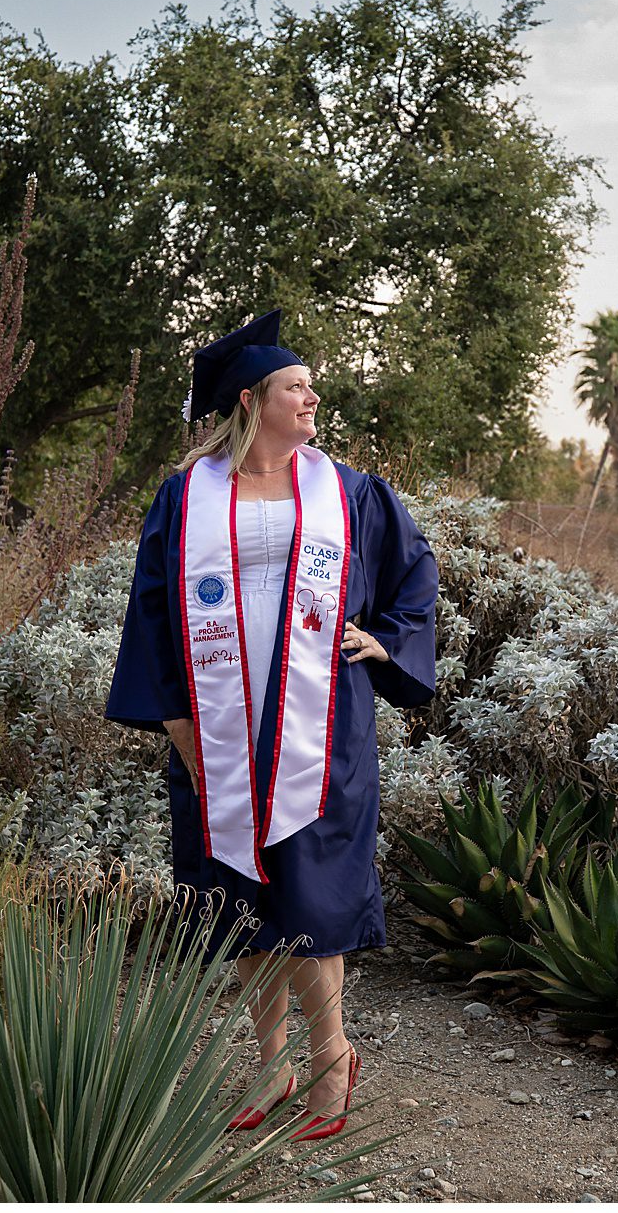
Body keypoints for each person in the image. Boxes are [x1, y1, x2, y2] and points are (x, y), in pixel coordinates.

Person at [104, 309, 439, 1141]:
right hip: (218, 722)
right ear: (254, 401)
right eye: (298, 385)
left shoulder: (349, 490)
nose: (314, 395)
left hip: (319, 727)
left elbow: (415, 571)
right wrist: (176, 718)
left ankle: (333, 1058)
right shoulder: (187, 495)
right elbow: (151, 611)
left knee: (311, 897)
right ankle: (271, 1063)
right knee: (237, 897)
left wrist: (385, 640)